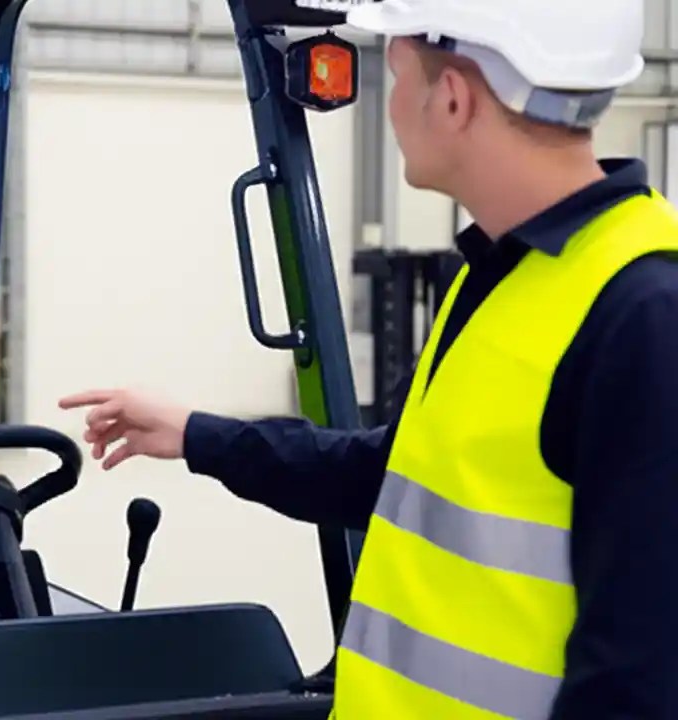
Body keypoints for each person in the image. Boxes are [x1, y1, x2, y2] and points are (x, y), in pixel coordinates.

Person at [62, 1, 678, 718]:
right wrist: (198, 434)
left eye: (395, 69)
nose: (387, 108)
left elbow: (640, 684)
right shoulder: (509, 276)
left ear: (451, 99)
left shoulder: (643, 316)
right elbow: (390, 476)